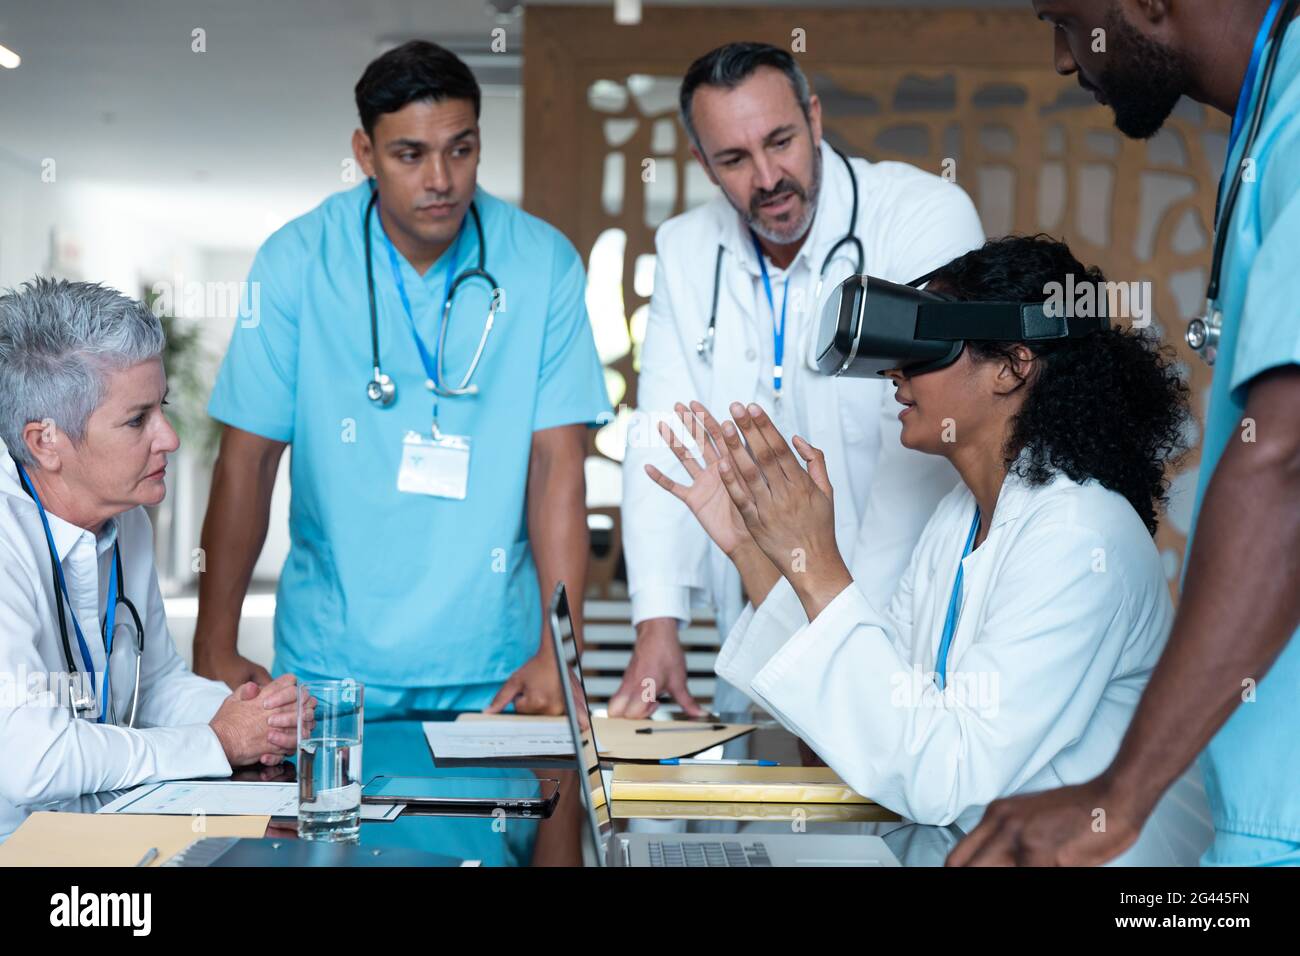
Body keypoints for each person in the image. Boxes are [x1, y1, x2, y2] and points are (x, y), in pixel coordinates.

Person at [646, 236, 1212, 865]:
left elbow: (941, 776)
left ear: (1013, 366)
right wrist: (752, 549)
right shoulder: (957, 521)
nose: (894, 372)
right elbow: (879, 733)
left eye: (925, 350)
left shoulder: (1082, 537)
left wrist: (818, 556)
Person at [950, 0, 1300, 868]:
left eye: (1065, 20)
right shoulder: (1269, 121)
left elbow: (1287, 461)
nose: (1065, 61)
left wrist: (1119, 795)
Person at [196, 41, 610, 721]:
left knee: (513, 826)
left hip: (497, 662)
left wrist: (558, 651)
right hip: (333, 663)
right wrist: (214, 641)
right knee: (334, 828)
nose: (441, 179)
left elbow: (557, 465)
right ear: (365, 153)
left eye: (461, 149)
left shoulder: (542, 264)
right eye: (410, 154)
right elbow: (249, 459)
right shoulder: (297, 261)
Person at [614, 41, 986, 719]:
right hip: (762, 624)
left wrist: (846, 662)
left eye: (780, 141)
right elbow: (662, 435)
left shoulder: (922, 217)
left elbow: (917, 454)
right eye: (733, 159)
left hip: (898, 628)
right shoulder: (684, 249)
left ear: (814, 119)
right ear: (703, 163)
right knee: (758, 817)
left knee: (889, 812)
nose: (766, 177)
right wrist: (658, 620)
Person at [0, 278, 305, 839]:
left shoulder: (125, 519)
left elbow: (157, 685)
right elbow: (31, 758)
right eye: (137, 420)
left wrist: (258, 715)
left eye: (160, 408)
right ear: (45, 442)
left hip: (97, 836)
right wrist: (219, 741)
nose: (170, 438)